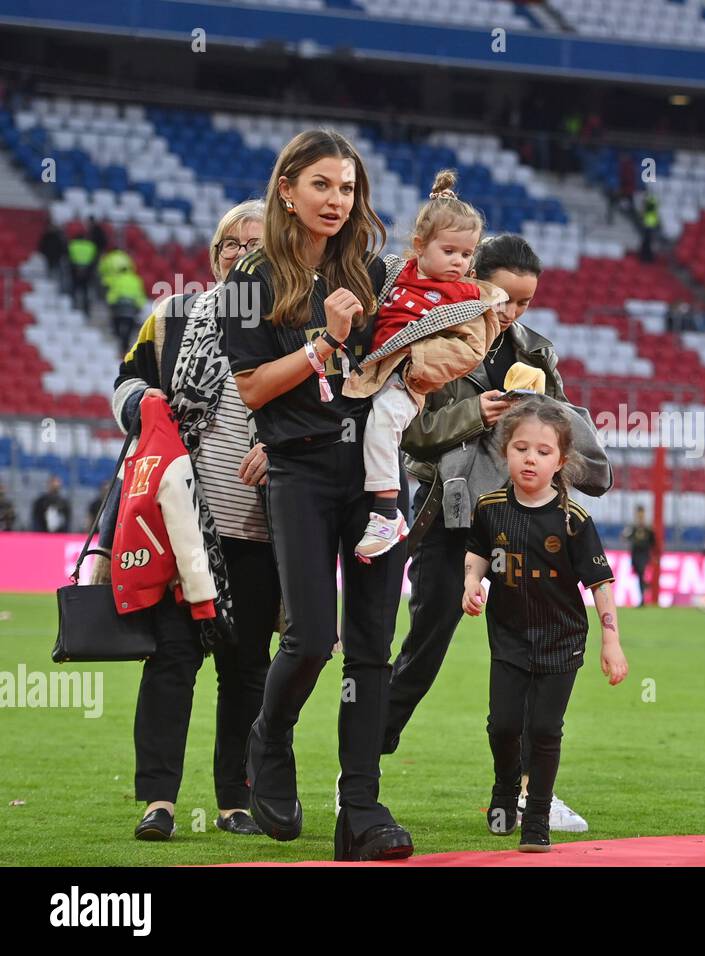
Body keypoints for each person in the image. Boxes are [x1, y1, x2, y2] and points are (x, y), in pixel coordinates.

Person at [223, 128, 414, 861]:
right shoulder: (248, 280)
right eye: (323, 186)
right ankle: (269, 740)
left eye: (348, 188)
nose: (338, 200)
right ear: (287, 189)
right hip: (298, 468)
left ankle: (359, 809)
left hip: (374, 475)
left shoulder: (373, 269)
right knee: (309, 638)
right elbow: (250, 390)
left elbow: (401, 357)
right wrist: (323, 344)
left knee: (371, 649)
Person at [387, 234, 593, 833]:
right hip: (448, 518)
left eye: (525, 303)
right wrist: (477, 414)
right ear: (476, 279)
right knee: (424, 648)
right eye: (504, 298)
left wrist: (536, 413)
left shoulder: (538, 351)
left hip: (524, 526)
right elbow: (410, 432)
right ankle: (361, 777)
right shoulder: (437, 337)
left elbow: (558, 436)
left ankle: (532, 792)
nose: (512, 313)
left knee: (536, 656)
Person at [112, 199, 279, 840]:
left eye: (258, 245)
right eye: (232, 245)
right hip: (182, 532)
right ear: (215, 257)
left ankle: (235, 801)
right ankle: (159, 801)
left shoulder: (295, 323)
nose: (243, 255)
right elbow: (123, 383)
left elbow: (324, 412)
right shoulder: (174, 314)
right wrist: (144, 402)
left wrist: (284, 445)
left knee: (246, 670)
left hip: (262, 532)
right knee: (172, 662)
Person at [462, 398, 628, 851]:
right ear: (505, 452)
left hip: (562, 641)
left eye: (542, 451)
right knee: (503, 725)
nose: (529, 458)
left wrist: (611, 641)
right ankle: (504, 788)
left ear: (561, 461)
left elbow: (600, 584)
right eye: (520, 448)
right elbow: (477, 553)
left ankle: (536, 816)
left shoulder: (573, 521)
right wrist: (471, 582)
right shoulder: (489, 508)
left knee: (545, 730)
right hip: (509, 638)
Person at [354, 169, 486, 561]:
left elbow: (466, 350)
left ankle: (386, 510)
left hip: (403, 380)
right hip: (369, 370)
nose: (459, 262)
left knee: (381, 422)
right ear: (419, 245)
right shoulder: (396, 272)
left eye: (466, 254)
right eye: (450, 252)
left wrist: (415, 365)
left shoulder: (468, 297)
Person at [621, 506, 656, 607]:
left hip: (644, 554)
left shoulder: (648, 528)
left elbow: (653, 541)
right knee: (639, 573)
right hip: (635, 554)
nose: (640, 516)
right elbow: (625, 537)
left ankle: (642, 600)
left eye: (641, 513)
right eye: (638, 514)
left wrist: (653, 554)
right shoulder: (633, 527)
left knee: (641, 571)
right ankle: (645, 585)